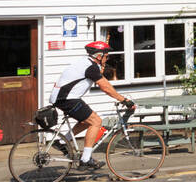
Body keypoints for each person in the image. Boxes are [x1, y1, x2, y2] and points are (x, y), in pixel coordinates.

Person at [48, 41, 135, 170]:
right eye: (106, 56)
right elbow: (105, 87)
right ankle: (85, 159)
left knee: (87, 120)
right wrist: (124, 100)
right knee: (96, 122)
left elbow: (104, 82)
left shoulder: (87, 63)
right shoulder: (91, 67)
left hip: (65, 98)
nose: (107, 58)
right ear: (99, 56)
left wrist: (121, 98)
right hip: (67, 99)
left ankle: (62, 142)